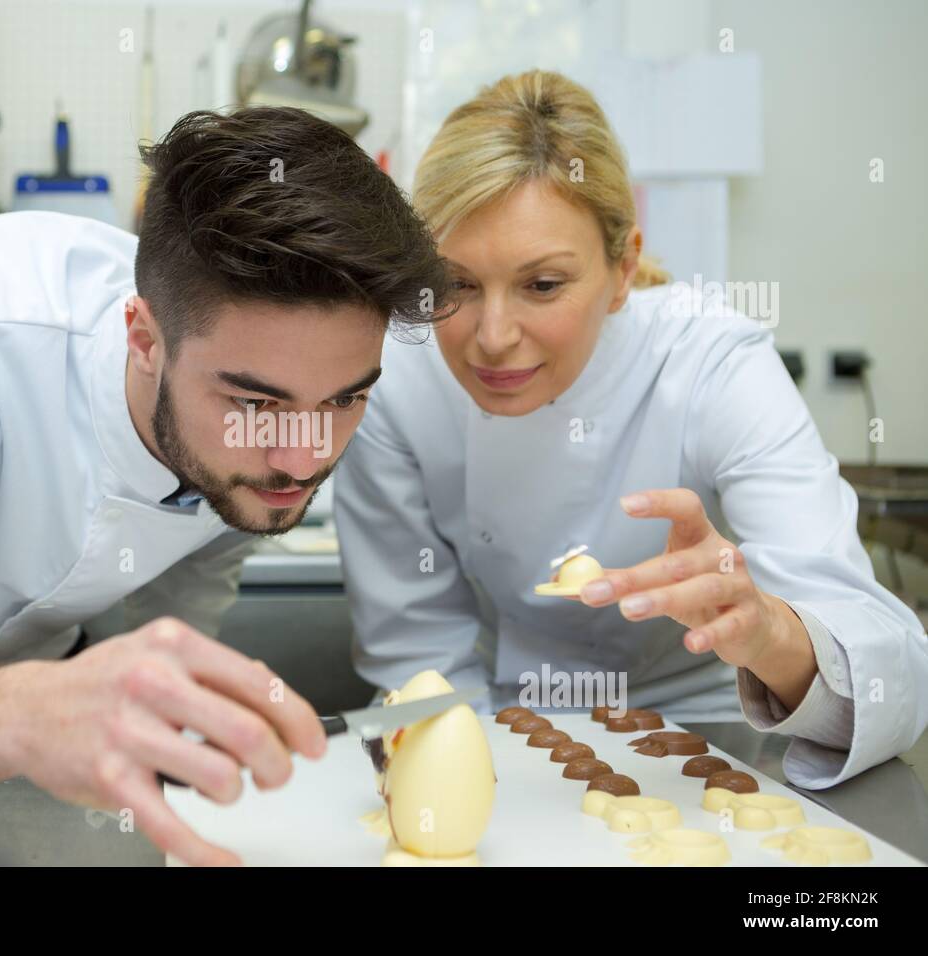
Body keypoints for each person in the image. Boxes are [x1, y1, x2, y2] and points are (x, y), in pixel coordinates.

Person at [0, 107, 451, 864]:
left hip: (15, 657)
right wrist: (11, 715)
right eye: (255, 406)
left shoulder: (257, 436)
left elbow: (186, 591)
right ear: (144, 341)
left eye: (345, 400)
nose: (300, 461)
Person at [334, 70, 928, 789]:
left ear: (622, 268)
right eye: (455, 283)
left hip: (717, 730)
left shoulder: (712, 360)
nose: (492, 337)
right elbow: (417, 653)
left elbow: (889, 672)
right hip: (497, 717)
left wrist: (767, 631)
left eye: (543, 285)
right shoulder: (396, 378)